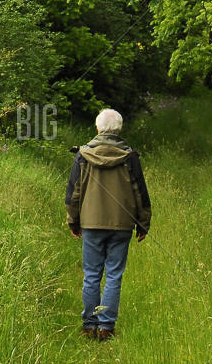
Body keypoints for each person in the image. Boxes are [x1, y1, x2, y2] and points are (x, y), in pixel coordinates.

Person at [65, 108, 151, 340]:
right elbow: (139, 193)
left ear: (98, 128)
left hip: (91, 223)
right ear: (119, 129)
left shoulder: (83, 155)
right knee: (113, 275)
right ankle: (106, 328)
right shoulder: (130, 157)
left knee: (91, 275)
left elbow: (74, 192)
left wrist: (74, 221)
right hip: (122, 224)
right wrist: (143, 224)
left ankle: (89, 326)